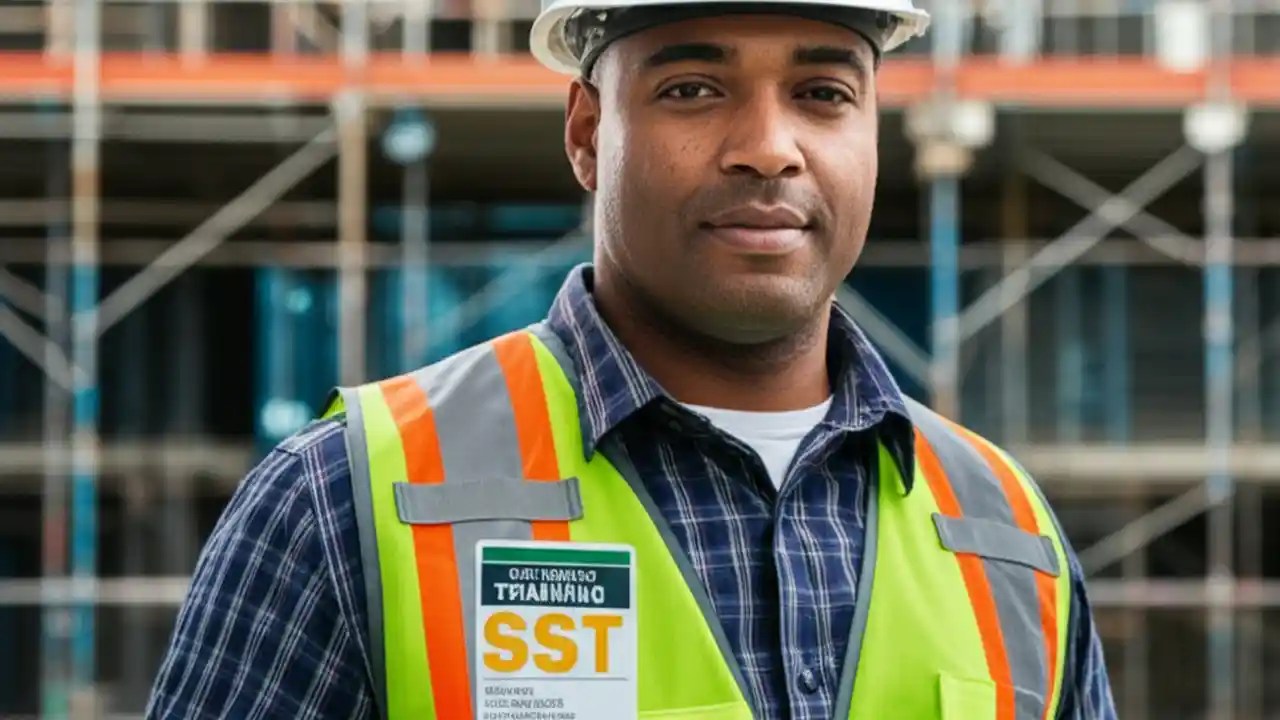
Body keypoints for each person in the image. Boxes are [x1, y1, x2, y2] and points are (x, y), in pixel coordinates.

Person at [148, 1, 1118, 718]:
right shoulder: (344, 499)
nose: (768, 148)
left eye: (822, 95)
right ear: (587, 132)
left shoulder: (1010, 540)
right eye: (691, 90)